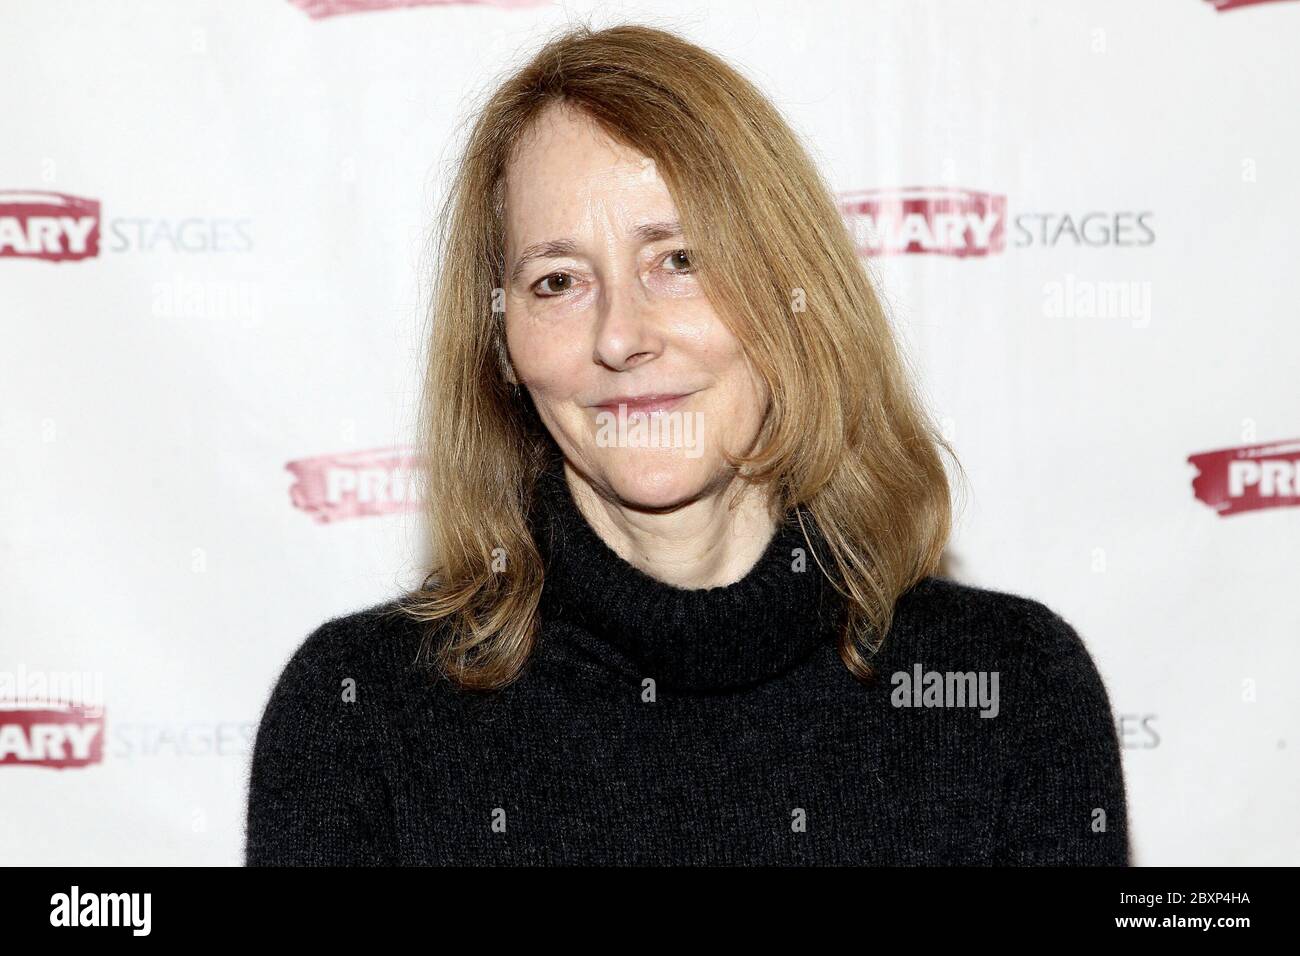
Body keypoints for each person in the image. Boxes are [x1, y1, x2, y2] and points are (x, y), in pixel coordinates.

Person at [245, 23, 1129, 866]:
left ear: (794, 290)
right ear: (502, 348)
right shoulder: (361, 717)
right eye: (556, 281)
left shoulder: (1010, 691)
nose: (621, 337)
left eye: (679, 260)